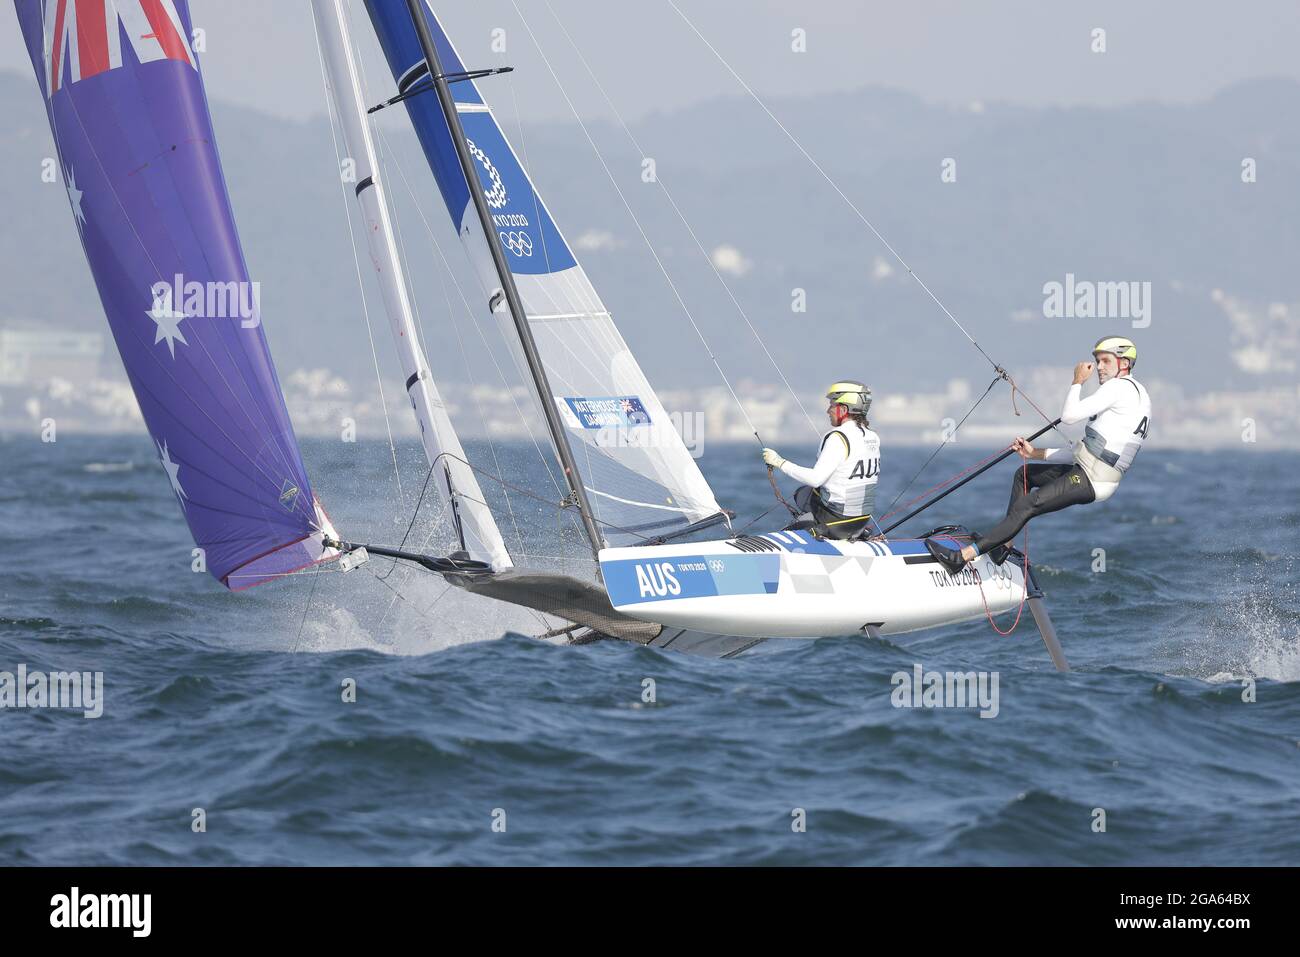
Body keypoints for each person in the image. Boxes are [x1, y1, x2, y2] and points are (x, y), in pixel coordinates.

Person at [926, 336, 1151, 574]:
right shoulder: (1135, 394)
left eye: (1105, 361)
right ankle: (1003, 545)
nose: (1099, 367)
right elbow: (1083, 453)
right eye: (1097, 361)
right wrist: (1035, 453)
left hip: (1094, 480)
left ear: (1124, 363)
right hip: (1089, 470)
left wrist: (1077, 381)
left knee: (1028, 505)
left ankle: (961, 558)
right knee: (1024, 475)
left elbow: (1069, 416)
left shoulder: (1119, 388)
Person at [761, 381, 881, 540]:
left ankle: (813, 532)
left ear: (843, 409)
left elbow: (815, 479)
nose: (828, 410)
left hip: (834, 522)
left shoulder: (838, 437)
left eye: (832, 405)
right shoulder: (872, 436)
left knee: (803, 495)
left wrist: (779, 462)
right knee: (803, 494)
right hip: (860, 523)